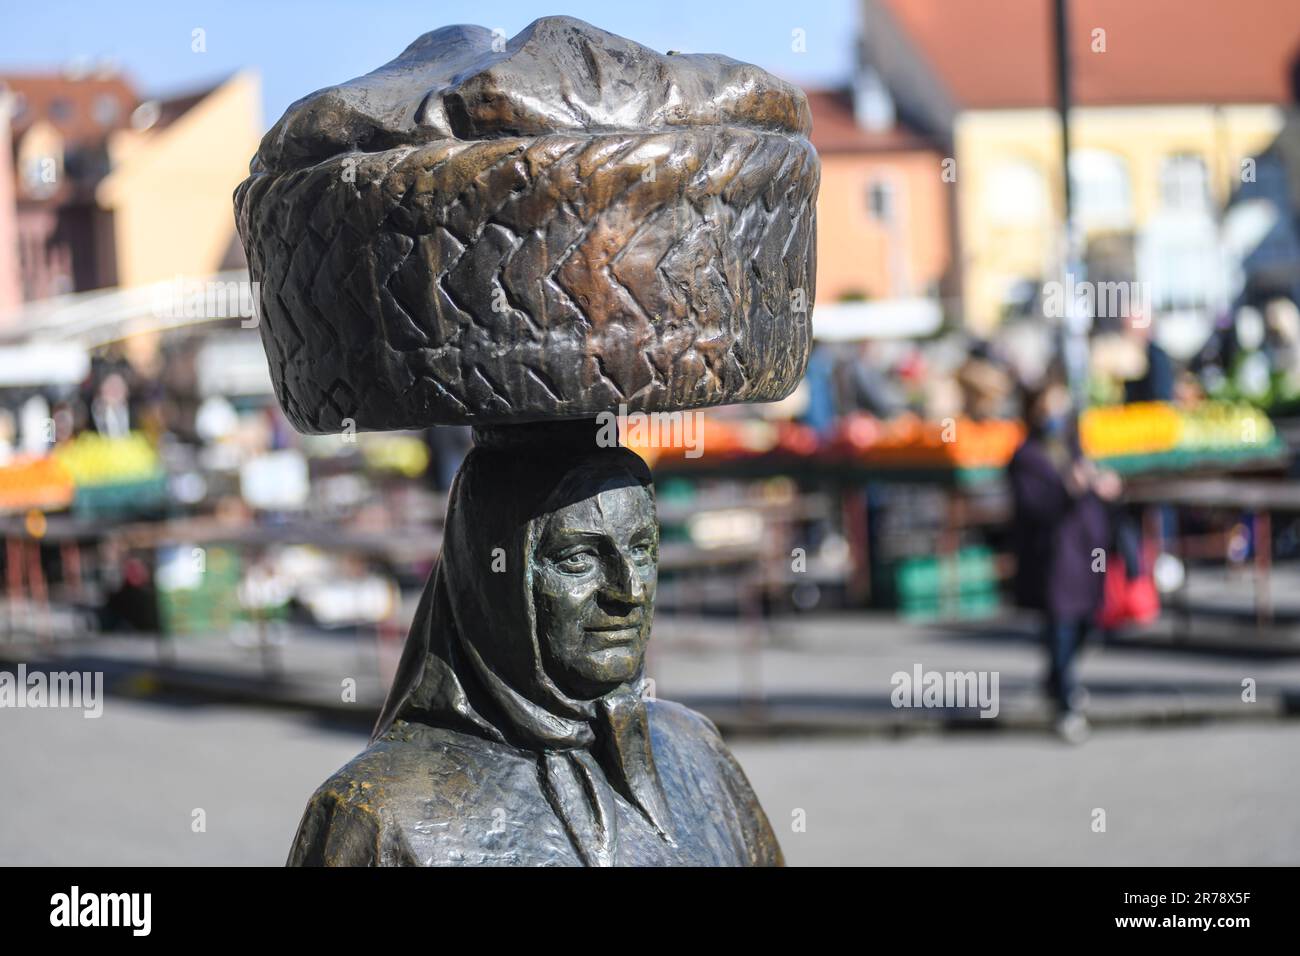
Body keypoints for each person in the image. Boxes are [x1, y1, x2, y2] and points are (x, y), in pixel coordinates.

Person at [287, 437, 781, 866]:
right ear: (491, 583)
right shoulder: (378, 813)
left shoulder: (698, 753)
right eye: (579, 559)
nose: (628, 591)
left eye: (642, 551)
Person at [1007, 379, 1120, 742]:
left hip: (1086, 551)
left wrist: (1102, 484)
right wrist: (1068, 488)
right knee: (1060, 625)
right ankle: (1065, 702)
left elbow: (1091, 480)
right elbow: (1032, 506)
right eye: (1048, 408)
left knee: (1088, 623)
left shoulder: (1073, 447)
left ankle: (1055, 681)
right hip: (1053, 556)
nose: (1055, 415)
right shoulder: (1025, 457)